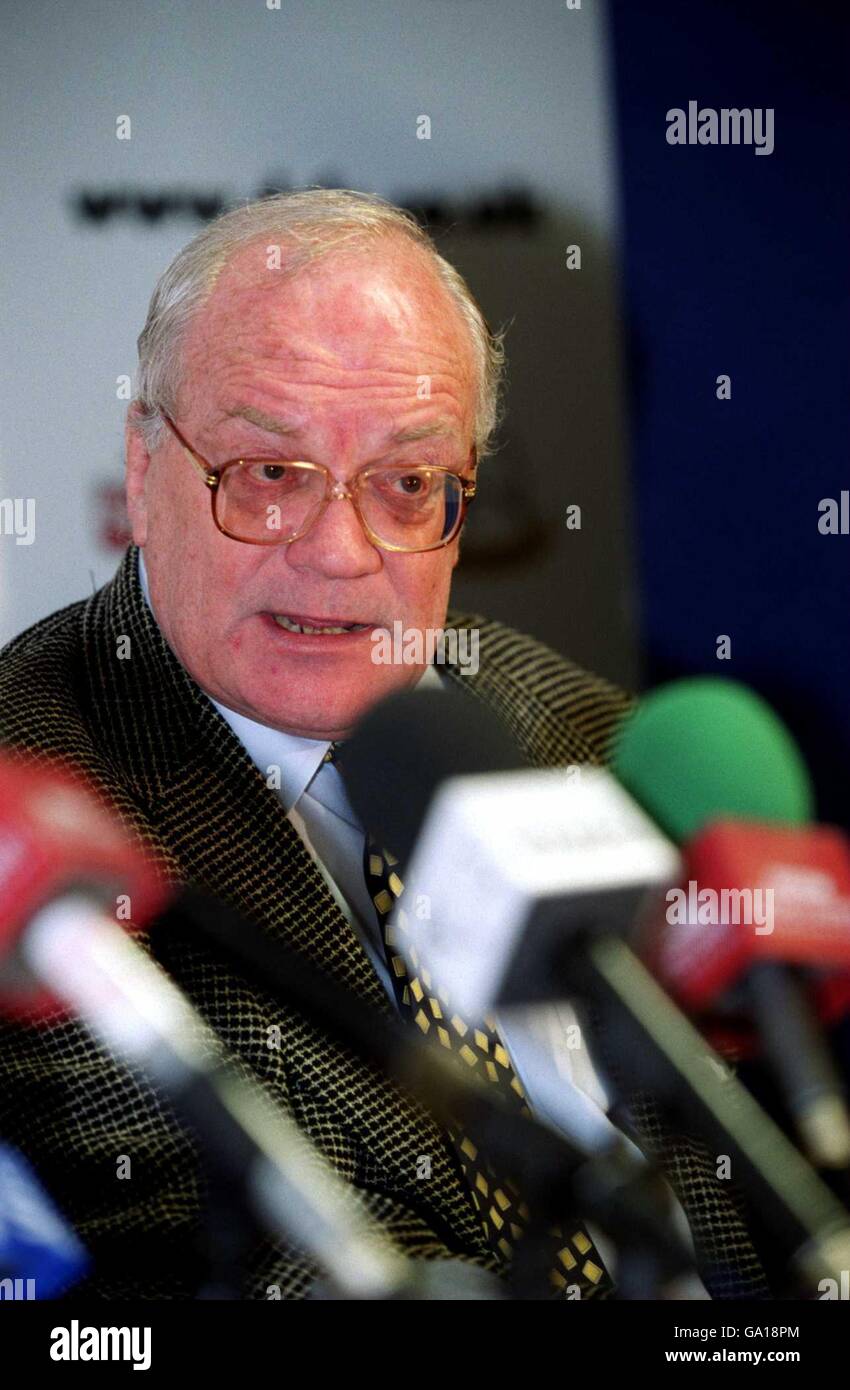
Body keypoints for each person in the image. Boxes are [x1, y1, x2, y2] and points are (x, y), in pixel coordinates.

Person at [0, 189, 770, 1299]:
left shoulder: (584, 735)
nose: (341, 554)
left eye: (407, 483)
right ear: (142, 461)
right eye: (269, 476)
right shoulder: (31, 825)